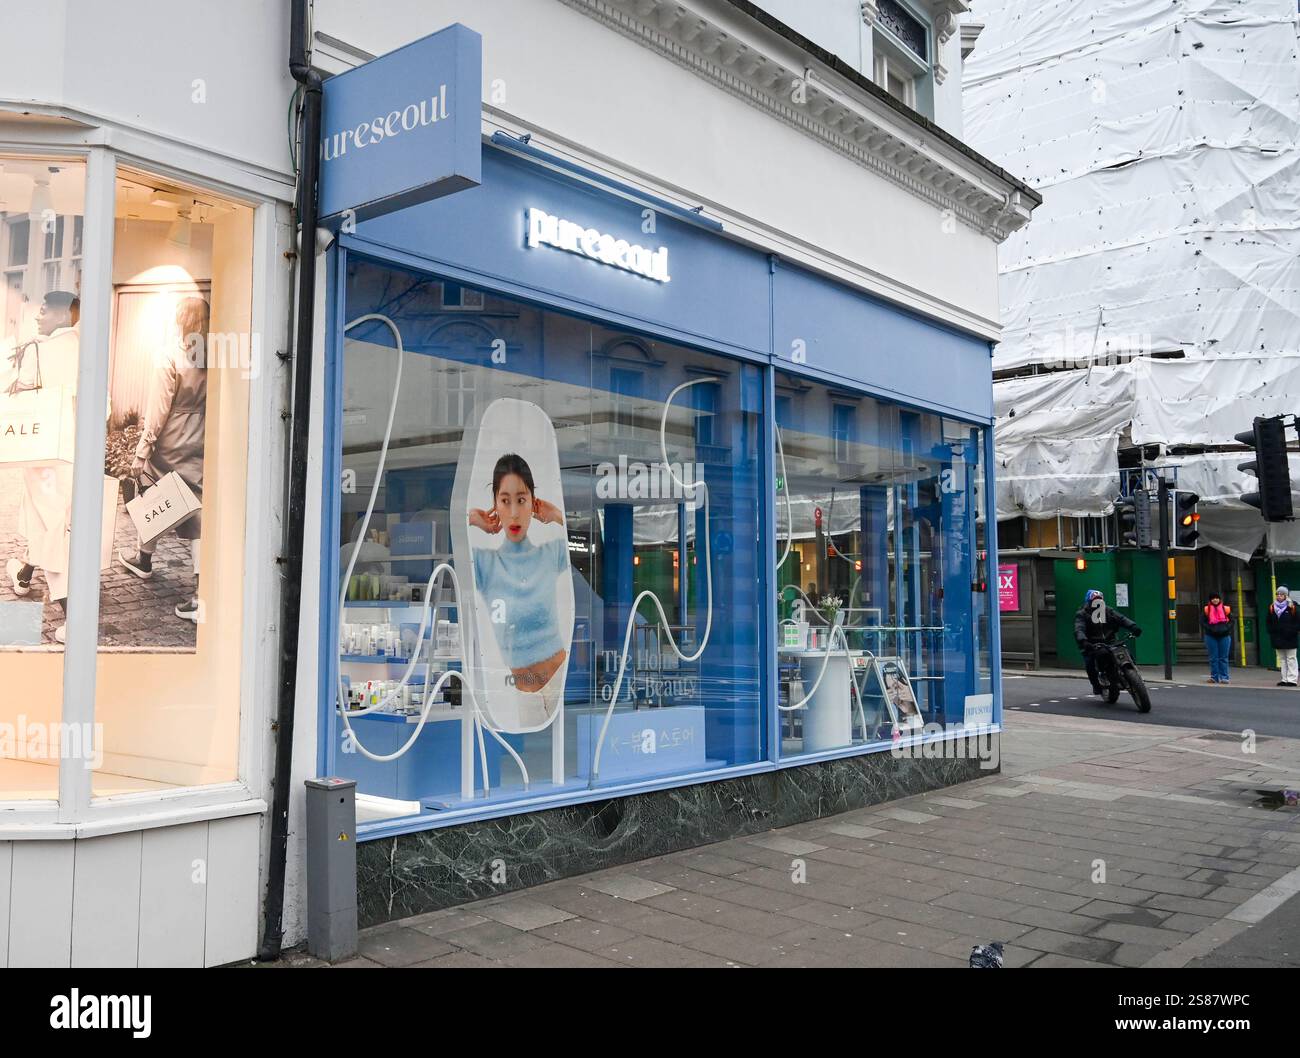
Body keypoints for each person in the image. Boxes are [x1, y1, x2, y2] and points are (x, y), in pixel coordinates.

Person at [118, 297, 209, 622]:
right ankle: (200, 590)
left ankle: (144, 559)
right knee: (194, 507)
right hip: (201, 436)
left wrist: (142, 451)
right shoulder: (214, 355)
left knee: (155, 494)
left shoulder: (170, 354)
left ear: (179, 320)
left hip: (171, 435)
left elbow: (158, 411)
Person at [468, 453, 568, 724]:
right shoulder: (484, 563)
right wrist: (470, 518)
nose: (513, 512)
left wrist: (558, 516)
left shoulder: (551, 553)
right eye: (504, 500)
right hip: (524, 694)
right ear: (495, 505)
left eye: (521, 500)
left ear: (533, 504)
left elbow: (597, 563)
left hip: (561, 681)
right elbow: (443, 565)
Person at [5, 291, 80, 644]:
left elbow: (15, 393)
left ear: (65, 314)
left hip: (43, 451)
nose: (38, 315)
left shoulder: (40, 351)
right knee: (50, 518)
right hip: (75, 450)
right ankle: (23, 573)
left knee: (48, 523)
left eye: (46, 310)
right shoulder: (88, 347)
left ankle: (71, 615)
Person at [1074, 588, 1142, 696]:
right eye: (1095, 600)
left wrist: (1133, 627)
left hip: (1111, 641)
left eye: (1100, 599)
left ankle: (1132, 672)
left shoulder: (1108, 611)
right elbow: (1079, 628)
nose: (1098, 602)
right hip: (1092, 644)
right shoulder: (1082, 614)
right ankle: (1096, 684)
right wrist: (1084, 641)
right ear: (1089, 601)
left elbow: (1122, 619)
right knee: (1089, 663)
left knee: (1125, 651)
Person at [1266, 586, 1299, 688]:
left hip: (1290, 638)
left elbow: (1298, 622)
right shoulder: (1272, 607)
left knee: (1291, 658)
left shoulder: (1292, 607)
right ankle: (1284, 679)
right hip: (1278, 638)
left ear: (1286, 596)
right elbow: (1268, 622)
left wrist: (1291, 631)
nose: (1279, 596)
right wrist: (1272, 632)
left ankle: (1292, 680)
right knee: (1282, 659)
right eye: (1278, 594)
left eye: (1281, 594)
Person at [1201, 592, 1233, 685]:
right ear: (1210, 600)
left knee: (1223, 657)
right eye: (1213, 598)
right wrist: (1210, 628)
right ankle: (1214, 677)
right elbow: (1202, 621)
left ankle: (1224, 677)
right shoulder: (1207, 609)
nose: (1215, 600)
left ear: (1220, 599)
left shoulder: (1226, 609)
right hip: (1211, 636)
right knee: (1213, 657)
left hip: (1224, 635)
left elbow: (1232, 621)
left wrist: (1226, 628)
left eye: (1217, 598)